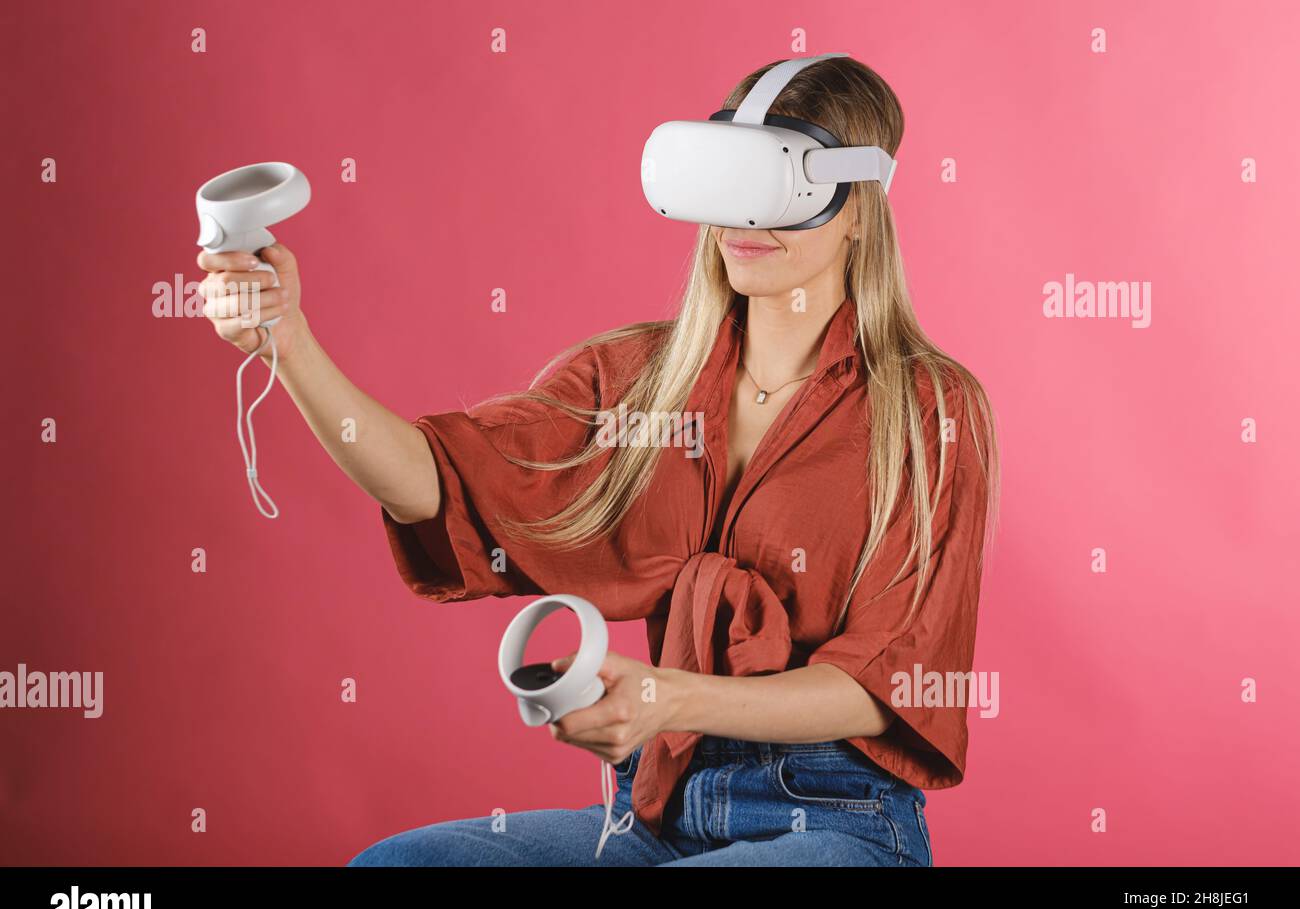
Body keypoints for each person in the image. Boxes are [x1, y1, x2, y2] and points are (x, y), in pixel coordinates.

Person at [196, 55, 999, 867]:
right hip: (655, 811)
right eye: (726, 184)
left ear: (858, 210)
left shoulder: (927, 411)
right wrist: (288, 344)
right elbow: (436, 481)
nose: (744, 221)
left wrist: (670, 698)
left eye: (782, 187)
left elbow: (879, 686)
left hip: (834, 819)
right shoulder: (636, 383)